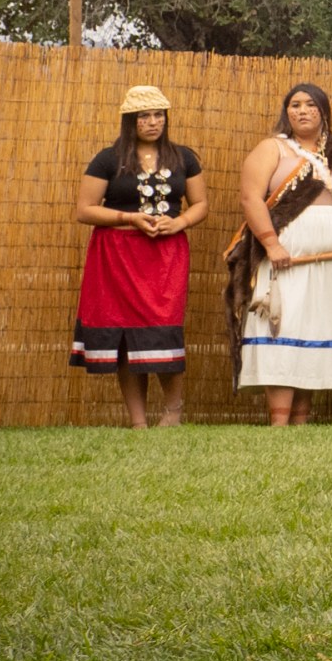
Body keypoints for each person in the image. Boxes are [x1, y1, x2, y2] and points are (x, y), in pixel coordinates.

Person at [228, 83, 332, 424]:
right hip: (286, 261)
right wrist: (272, 244)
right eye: (294, 105)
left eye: (309, 105)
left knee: (315, 332)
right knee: (284, 328)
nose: (301, 111)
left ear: (323, 111)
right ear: (286, 112)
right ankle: (279, 421)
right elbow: (251, 199)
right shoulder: (271, 149)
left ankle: (301, 420)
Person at [71, 83, 207, 426]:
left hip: (166, 255)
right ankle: (138, 422)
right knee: (125, 332)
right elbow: (85, 210)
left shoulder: (183, 157)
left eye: (158, 115)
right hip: (116, 254)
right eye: (143, 116)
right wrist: (128, 217)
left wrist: (181, 223)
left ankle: (173, 411)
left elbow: (201, 204)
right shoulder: (108, 159)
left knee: (163, 326)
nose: (152, 122)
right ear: (129, 121)